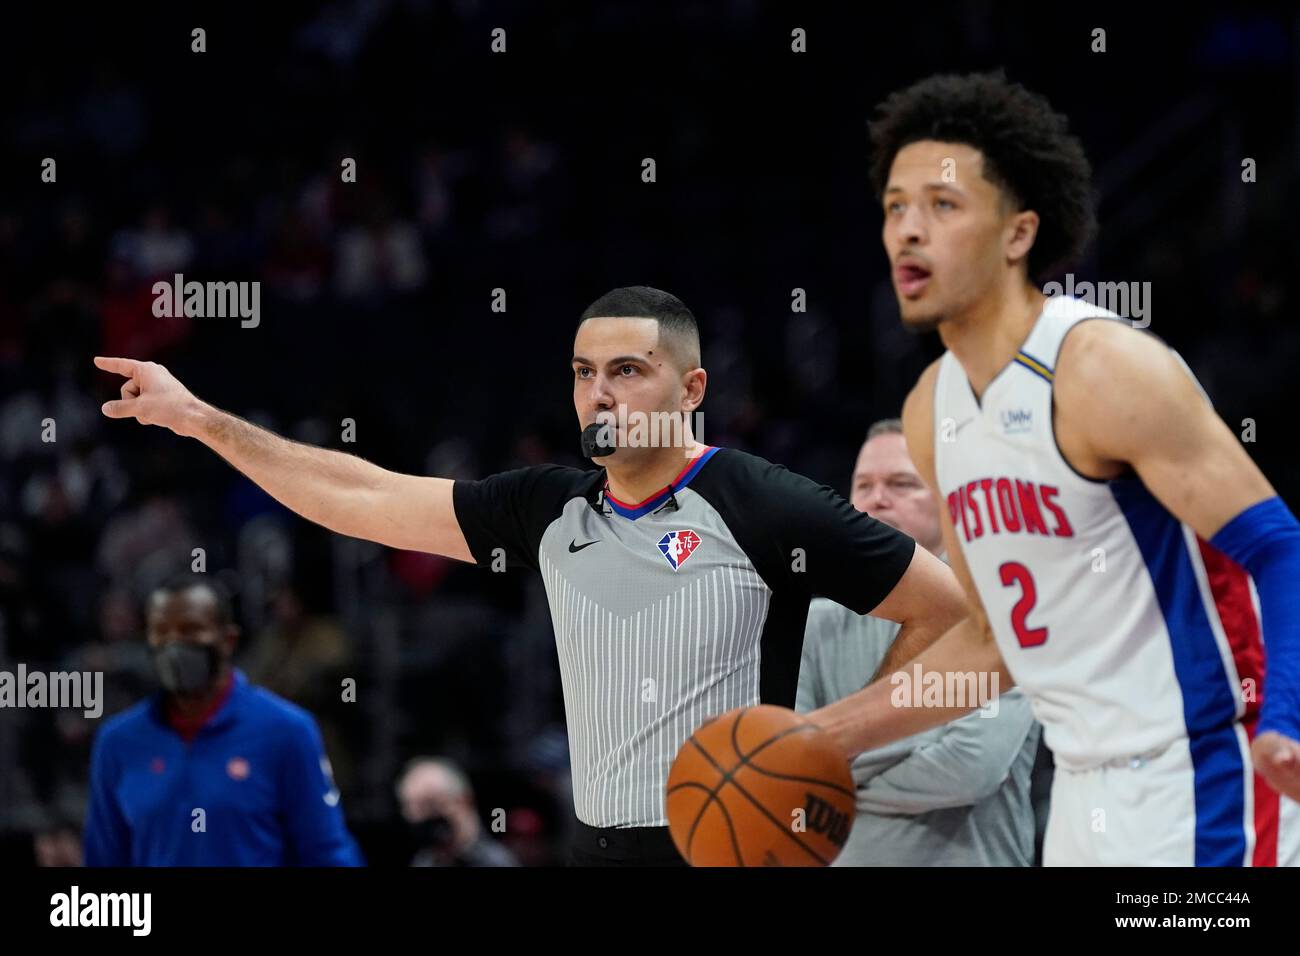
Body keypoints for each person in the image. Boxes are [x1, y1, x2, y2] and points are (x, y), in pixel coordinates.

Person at [94, 285, 967, 866]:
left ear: (691, 386)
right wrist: (203, 420)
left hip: (736, 847)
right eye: (586, 374)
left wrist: (837, 737)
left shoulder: (761, 501)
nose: (600, 394)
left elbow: (957, 618)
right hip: (592, 847)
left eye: (628, 370)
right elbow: (357, 493)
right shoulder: (549, 508)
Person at [809, 71, 1300, 865]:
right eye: (896, 207)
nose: (907, 230)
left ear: (1018, 234)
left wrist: (1287, 716)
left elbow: (1278, 545)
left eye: (942, 206)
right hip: (1081, 791)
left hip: (1206, 773)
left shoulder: (1101, 367)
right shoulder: (932, 409)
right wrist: (822, 733)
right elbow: (991, 639)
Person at [797, 418, 1038, 865]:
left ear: (951, 505)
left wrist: (836, 779)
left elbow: (971, 766)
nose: (877, 498)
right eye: (863, 484)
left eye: (902, 483)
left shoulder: (1002, 613)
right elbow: (794, 772)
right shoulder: (813, 624)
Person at [84, 574, 363, 866]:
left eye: (190, 630)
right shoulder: (117, 742)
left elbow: (326, 851)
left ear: (228, 640)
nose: (174, 644)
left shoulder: (287, 730)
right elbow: (103, 862)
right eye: (161, 632)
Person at [396, 757, 518, 867]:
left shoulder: (495, 861)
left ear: (464, 801)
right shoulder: (423, 861)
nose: (418, 817)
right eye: (410, 807)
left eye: (430, 805)